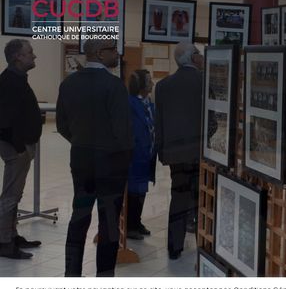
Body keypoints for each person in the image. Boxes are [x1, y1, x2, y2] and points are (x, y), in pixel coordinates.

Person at [56, 38, 133, 276]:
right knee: (109, 221)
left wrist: (81, 143)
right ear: (100, 54)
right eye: (113, 49)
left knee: (79, 216)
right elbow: (123, 131)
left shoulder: (68, 84)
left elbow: (61, 125)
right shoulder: (114, 85)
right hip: (110, 164)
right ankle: (104, 276)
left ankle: (72, 274)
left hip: (81, 160)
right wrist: (124, 158)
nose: (117, 53)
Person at [155, 42, 204, 260]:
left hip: (175, 153)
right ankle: (204, 246)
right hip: (199, 151)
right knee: (201, 197)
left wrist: (162, 151)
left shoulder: (163, 85)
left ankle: (175, 247)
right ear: (193, 58)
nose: (202, 58)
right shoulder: (204, 82)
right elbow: (212, 119)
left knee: (178, 196)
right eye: (199, 54)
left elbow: (159, 121)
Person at [0, 39, 42, 259]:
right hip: (16, 148)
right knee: (10, 195)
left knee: (15, 194)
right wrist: (19, 150)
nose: (34, 56)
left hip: (21, 146)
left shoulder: (17, 79)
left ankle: (11, 235)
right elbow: (3, 123)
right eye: (30, 52)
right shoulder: (8, 82)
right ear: (18, 57)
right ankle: (4, 242)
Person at [126, 69, 156, 240]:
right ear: (141, 85)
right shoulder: (131, 103)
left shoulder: (148, 103)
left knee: (142, 190)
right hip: (136, 154)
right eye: (149, 80)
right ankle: (130, 225)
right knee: (134, 190)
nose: (152, 83)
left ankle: (137, 222)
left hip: (147, 153)